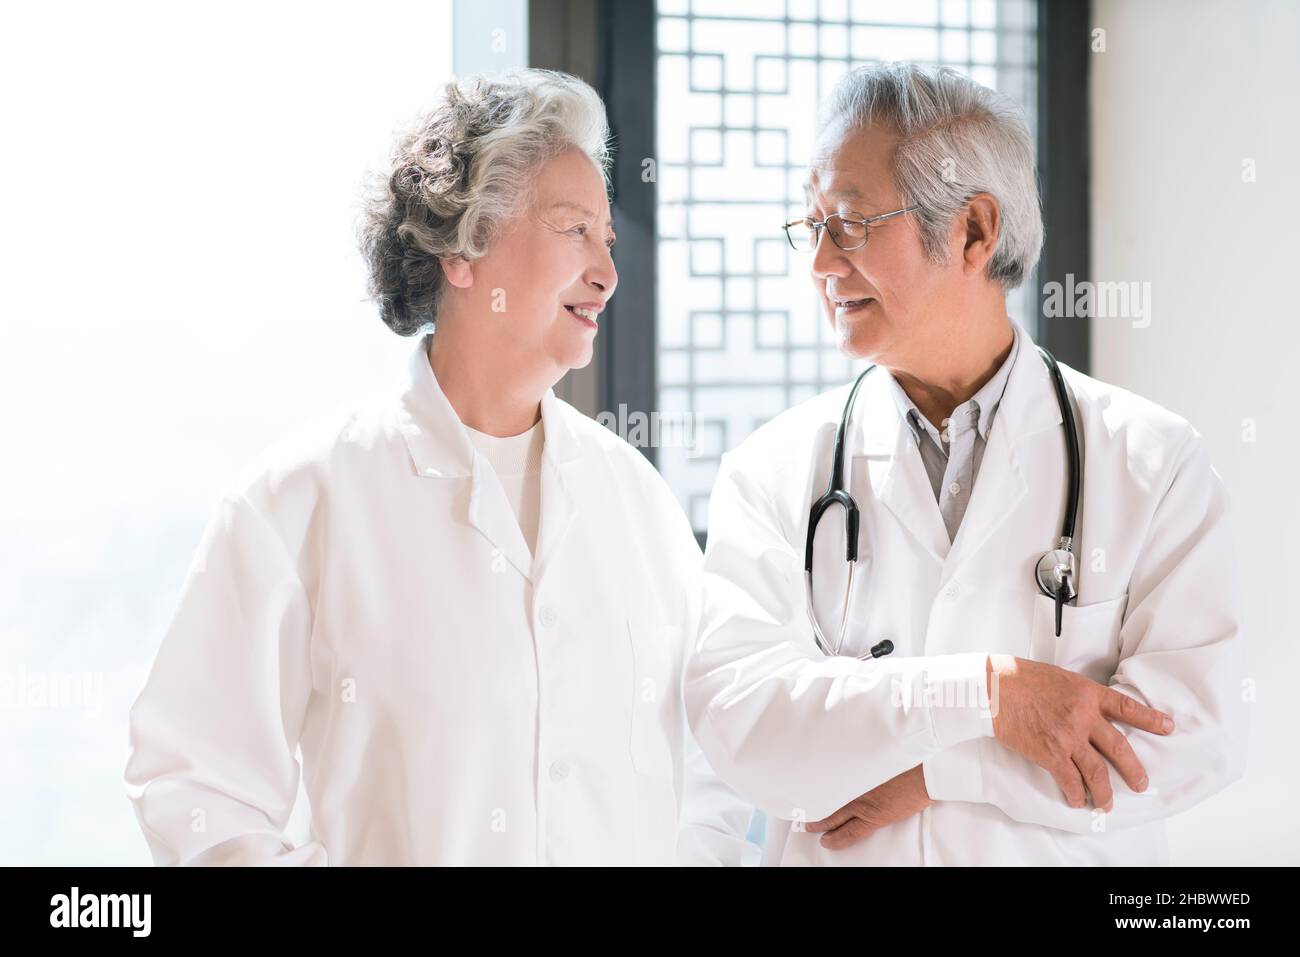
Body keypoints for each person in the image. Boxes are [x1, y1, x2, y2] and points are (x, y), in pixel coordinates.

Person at [125, 69, 757, 866]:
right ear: (463, 248)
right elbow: (192, 782)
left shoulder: (639, 503)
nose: (607, 271)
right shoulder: (298, 502)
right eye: (573, 230)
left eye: (607, 238)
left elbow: (709, 774)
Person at [684, 63, 1247, 866]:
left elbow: (1183, 740)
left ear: (974, 232)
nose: (819, 263)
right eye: (808, 225)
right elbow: (744, 721)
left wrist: (940, 770)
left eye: (846, 223)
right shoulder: (773, 471)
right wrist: (992, 692)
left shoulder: (1153, 463)